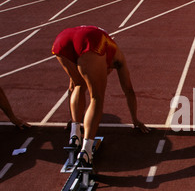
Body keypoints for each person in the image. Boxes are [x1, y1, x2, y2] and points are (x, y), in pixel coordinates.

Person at [52, 25, 149, 165]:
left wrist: (75, 118)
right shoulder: (118, 57)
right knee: (96, 97)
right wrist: (135, 119)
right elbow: (129, 90)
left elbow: (71, 88)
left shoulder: (107, 49)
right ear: (111, 67)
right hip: (91, 41)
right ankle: (86, 151)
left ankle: (74, 135)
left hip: (62, 38)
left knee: (79, 84)